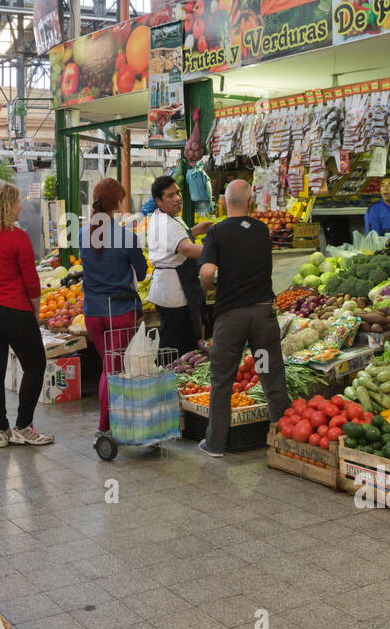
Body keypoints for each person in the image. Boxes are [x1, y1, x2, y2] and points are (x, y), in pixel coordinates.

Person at [197, 179, 291, 457]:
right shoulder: (262, 230)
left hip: (232, 319)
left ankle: (215, 443)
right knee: (270, 374)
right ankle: (283, 437)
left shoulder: (217, 232)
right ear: (250, 202)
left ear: (224, 202)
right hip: (262, 317)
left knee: (223, 379)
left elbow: (206, 272)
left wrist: (209, 286)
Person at [0, 180, 54, 449]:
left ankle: (0, 431)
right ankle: (23, 427)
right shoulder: (18, 238)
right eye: (17, 201)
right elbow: (31, 282)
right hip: (13, 309)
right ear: (7, 206)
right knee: (35, 364)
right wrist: (35, 311)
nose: (20, 206)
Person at [79, 179, 148, 444]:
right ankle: (104, 427)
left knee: (108, 367)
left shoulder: (84, 235)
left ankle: (116, 419)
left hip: (93, 313)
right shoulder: (126, 237)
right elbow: (141, 274)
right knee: (112, 370)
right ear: (117, 204)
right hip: (119, 311)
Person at [145, 174, 210, 359]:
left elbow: (179, 237)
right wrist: (217, 251)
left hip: (170, 288)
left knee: (175, 340)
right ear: (158, 201)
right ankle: (171, 378)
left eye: (178, 193)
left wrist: (195, 230)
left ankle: (173, 376)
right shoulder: (166, 222)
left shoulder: (166, 216)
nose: (177, 198)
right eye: (170, 196)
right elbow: (186, 248)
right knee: (176, 344)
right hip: (175, 292)